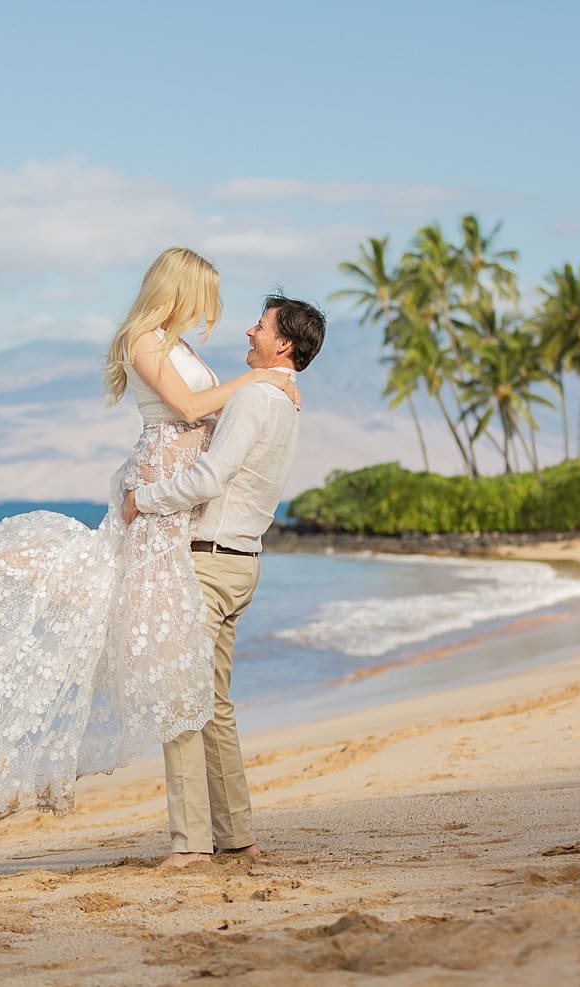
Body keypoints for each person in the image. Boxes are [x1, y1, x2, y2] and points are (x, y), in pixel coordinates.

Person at [0, 247, 299, 825]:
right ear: (179, 289)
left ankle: (216, 832)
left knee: (196, 683)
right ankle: (201, 833)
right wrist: (262, 379)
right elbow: (186, 406)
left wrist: (267, 389)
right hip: (158, 488)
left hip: (182, 501)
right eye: (207, 292)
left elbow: (211, 421)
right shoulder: (145, 339)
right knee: (163, 656)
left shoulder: (180, 346)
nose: (217, 308)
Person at [120, 293, 325, 868]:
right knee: (212, 703)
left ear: (282, 343)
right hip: (242, 562)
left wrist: (144, 500)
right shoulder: (283, 401)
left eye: (259, 327)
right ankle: (237, 836)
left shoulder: (259, 399)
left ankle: (191, 845)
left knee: (183, 702)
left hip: (209, 563)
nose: (248, 331)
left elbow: (209, 478)